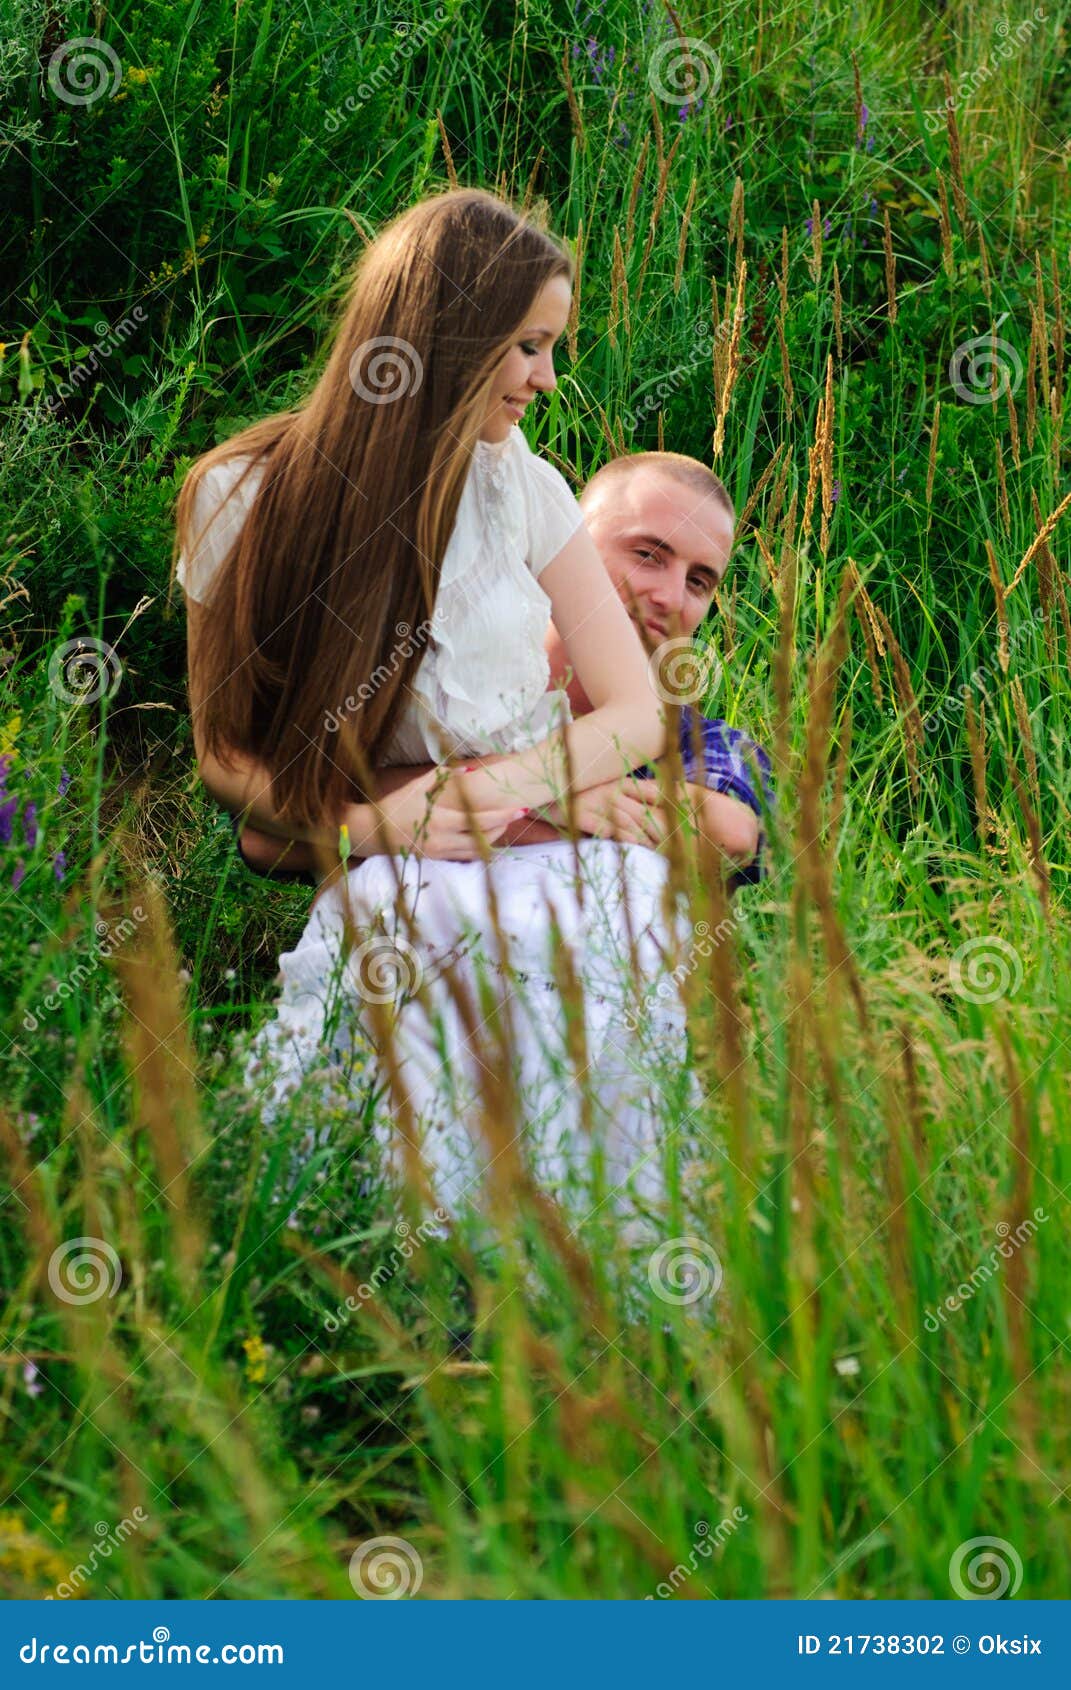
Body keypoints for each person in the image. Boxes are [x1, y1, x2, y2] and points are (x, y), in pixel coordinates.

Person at [174, 186, 697, 1229]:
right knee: (398, 939)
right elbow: (223, 754)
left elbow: (638, 713)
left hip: (525, 833)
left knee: (624, 929)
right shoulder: (240, 493)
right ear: (448, 334)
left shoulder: (528, 491)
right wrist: (379, 824)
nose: (548, 378)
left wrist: (499, 795)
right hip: (393, 852)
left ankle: (583, 1265)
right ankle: (406, 1264)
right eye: (530, 346)